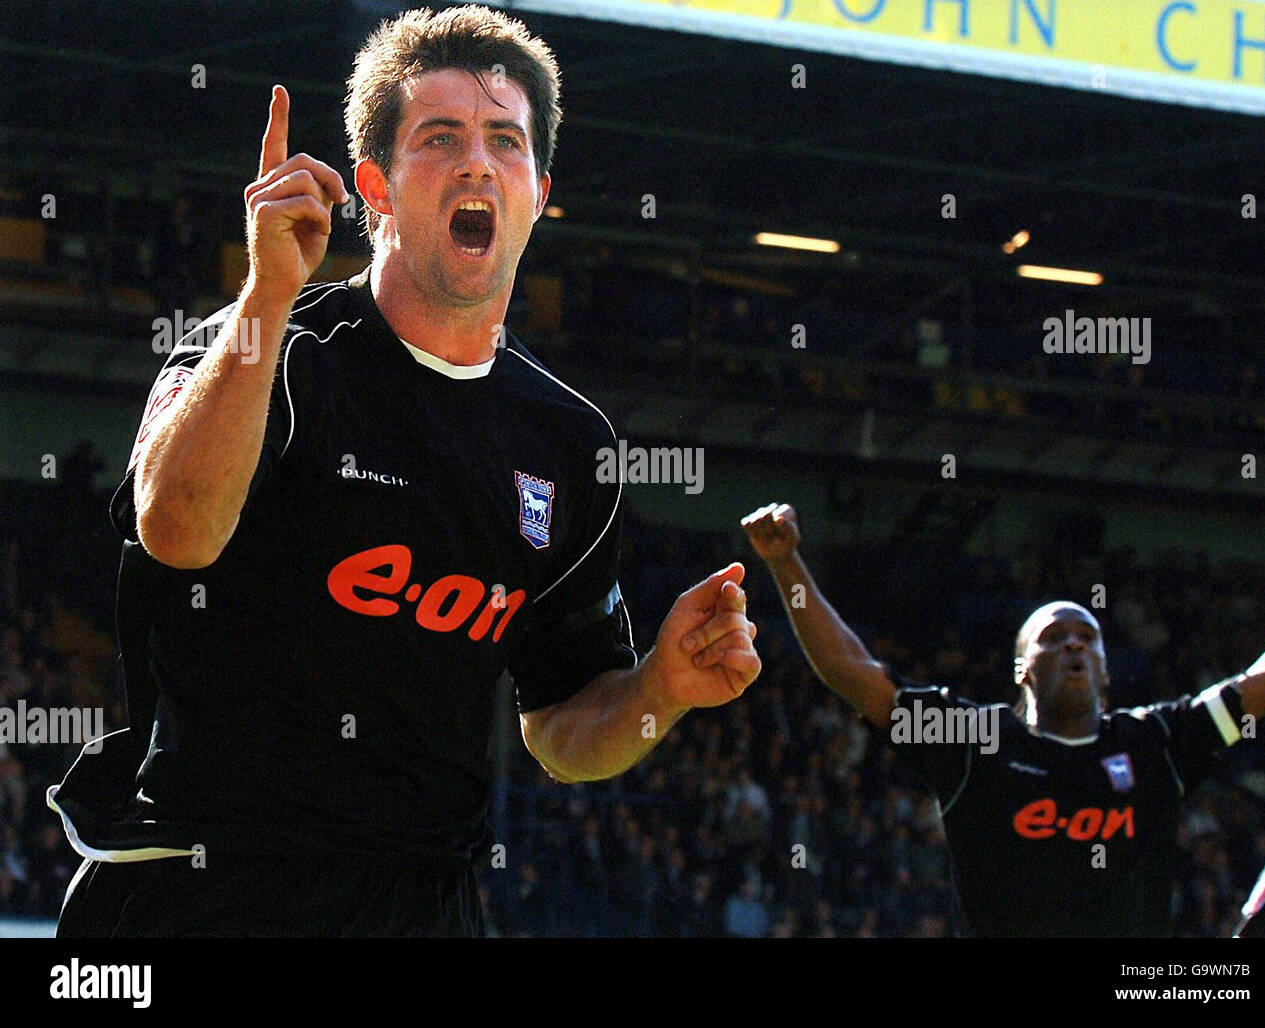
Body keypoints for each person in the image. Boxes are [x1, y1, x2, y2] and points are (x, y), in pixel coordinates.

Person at [47, 5, 760, 938]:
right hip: (197, 890)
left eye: (506, 141)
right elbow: (177, 531)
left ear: (539, 191)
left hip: (422, 908)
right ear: (374, 186)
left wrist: (658, 693)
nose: (477, 161)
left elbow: (561, 735)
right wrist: (265, 292)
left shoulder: (571, 446)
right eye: (441, 137)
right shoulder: (264, 350)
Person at [741, 502, 1265, 937]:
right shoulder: (972, 742)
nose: (1074, 646)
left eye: (1088, 638)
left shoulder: (1160, 742)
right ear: (1020, 669)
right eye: (1053, 639)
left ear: (1106, 670)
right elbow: (851, 670)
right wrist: (784, 562)